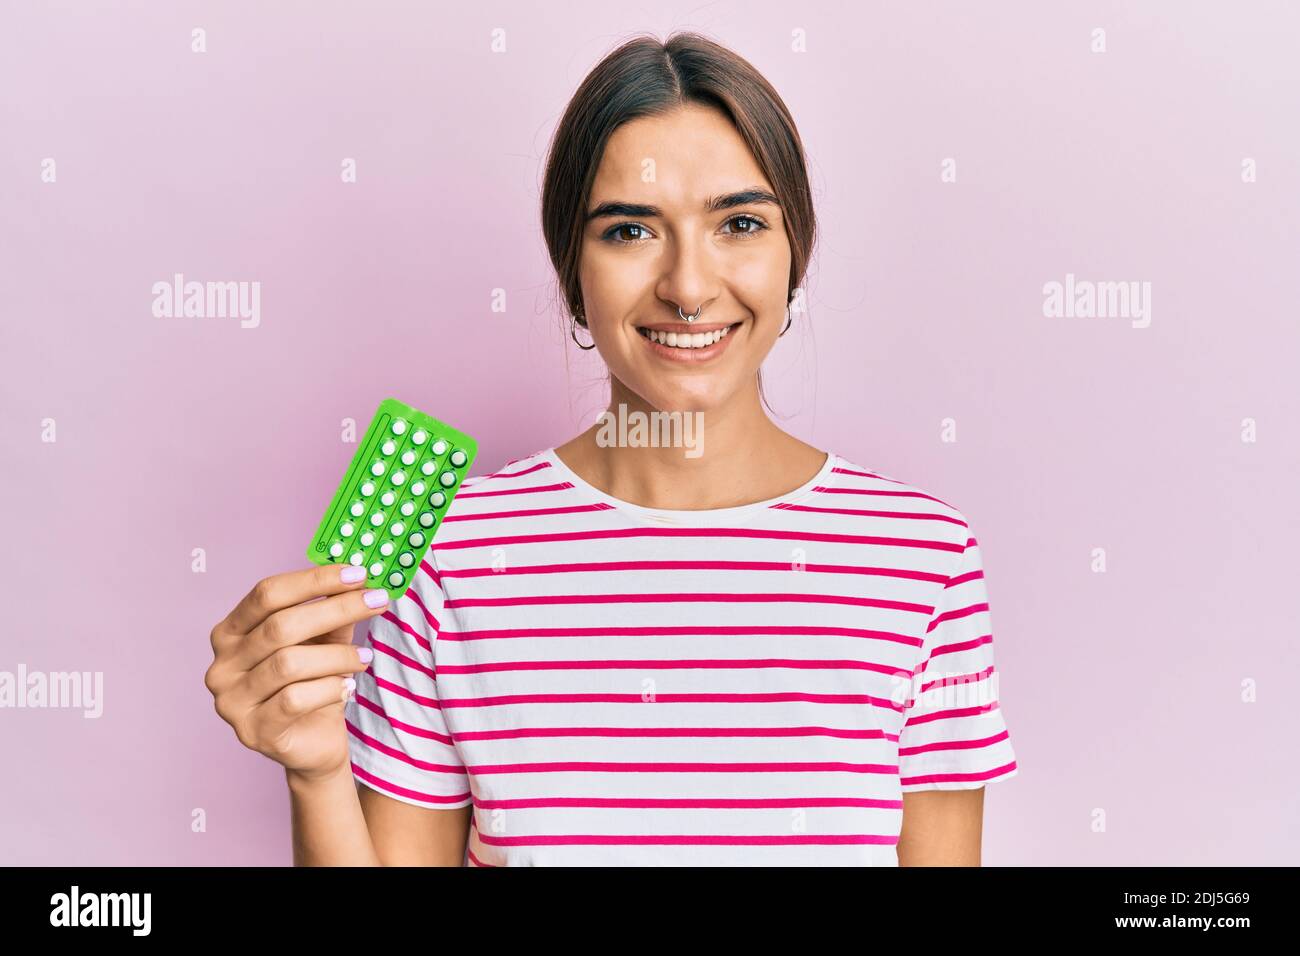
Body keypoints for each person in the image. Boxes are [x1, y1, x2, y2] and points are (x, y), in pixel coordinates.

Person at [205, 31, 1018, 867]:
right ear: (573, 276)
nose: (690, 287)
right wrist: (316, 775)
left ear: (793, 257)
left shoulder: (923, 558)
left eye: (739, 222)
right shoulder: (447, 552)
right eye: (631, 231)